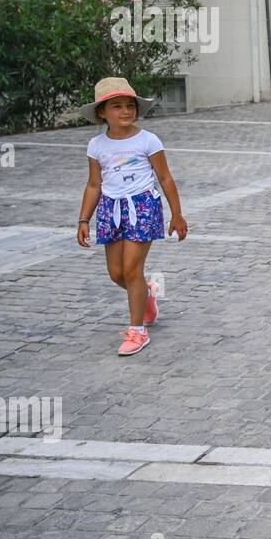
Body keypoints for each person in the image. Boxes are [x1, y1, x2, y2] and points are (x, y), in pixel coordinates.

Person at [74, 77, 188, 356]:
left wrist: (177, 214)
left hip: (143, 207)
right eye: (117, 107)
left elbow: (165, 178)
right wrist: (83, 219)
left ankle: (137, 331)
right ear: (102, 113)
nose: (125, 111)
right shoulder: (96, 145)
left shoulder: (148, 140)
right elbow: (93, 185)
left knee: (131, 270)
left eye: (130, 106)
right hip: (110, 210)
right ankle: (146, 294)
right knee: (116, 274)